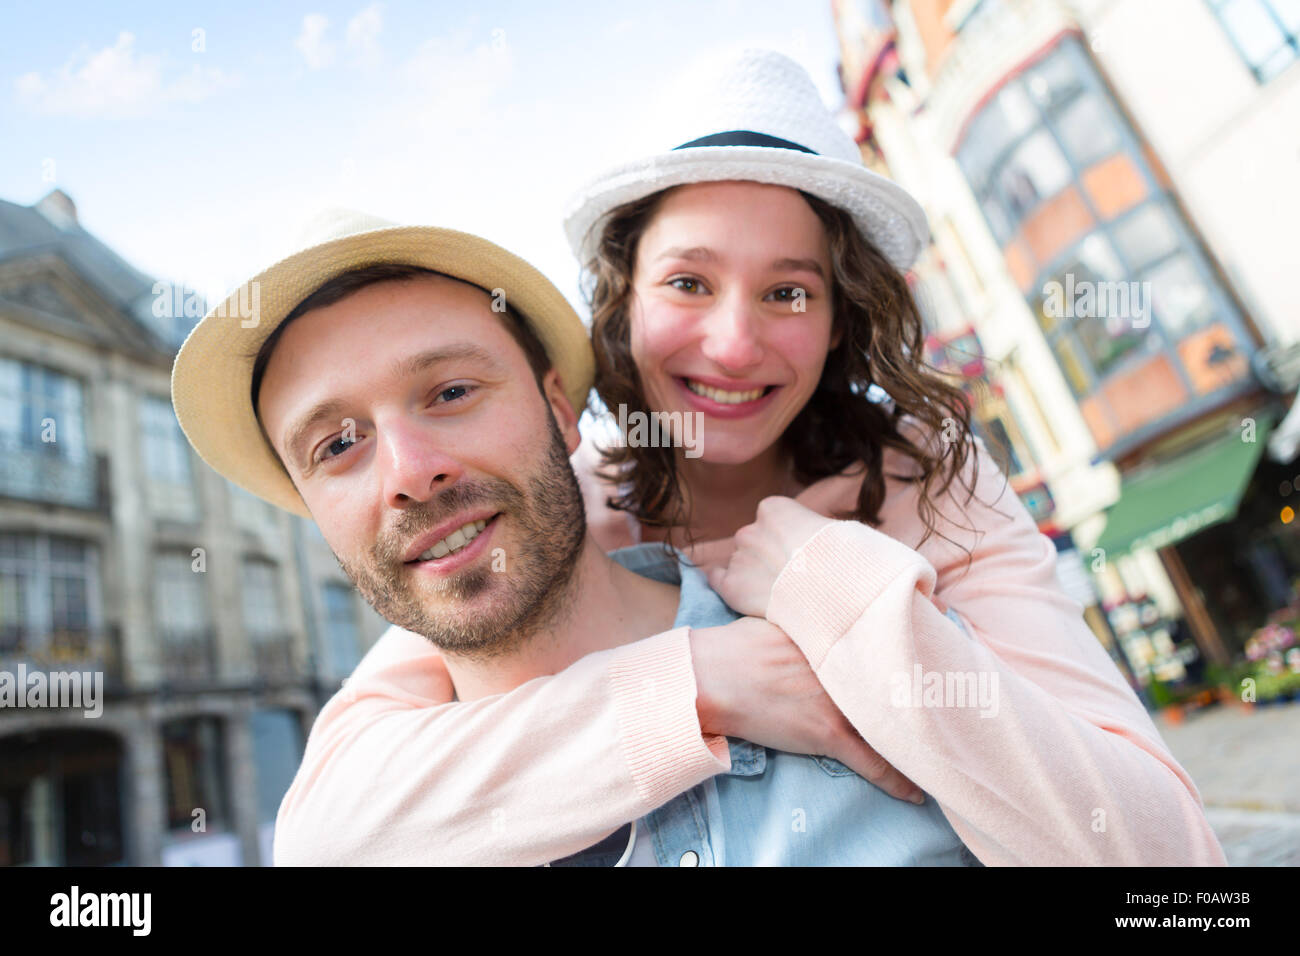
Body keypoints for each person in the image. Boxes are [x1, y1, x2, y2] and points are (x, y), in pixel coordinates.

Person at [263, 50, 1224, 866]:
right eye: (688, 281)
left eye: (788, 293)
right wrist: (704, 680)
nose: (731, 345)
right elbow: (333, 829)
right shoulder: (557, 511)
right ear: (623, 301)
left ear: (840, 317)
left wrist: (831, 589)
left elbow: (1165, 857)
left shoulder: (929, 481)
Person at [171, 210, 975, 866]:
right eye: (337, 446)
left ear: (561, 412)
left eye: (451, 391)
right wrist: (694, 684)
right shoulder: (359, 809)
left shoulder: (857, 652)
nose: (409, 474)